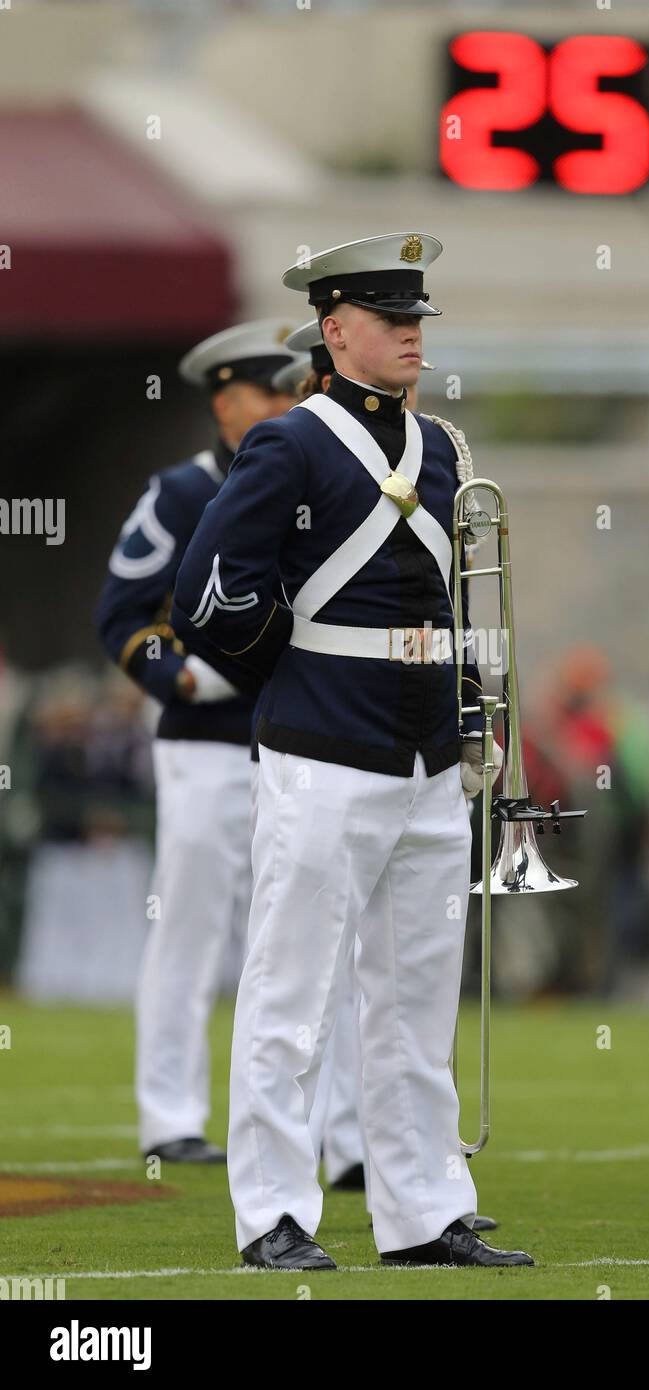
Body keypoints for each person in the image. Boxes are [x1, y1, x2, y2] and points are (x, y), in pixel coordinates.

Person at [173, 233, 529, 1270]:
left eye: (418, 318)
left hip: (425, 756)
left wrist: (475, 713)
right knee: (292, 993)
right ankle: (275, 1213)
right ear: (335, 331)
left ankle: (421, 1211)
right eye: (391, 318)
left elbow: (457, 604)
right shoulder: (288, 443)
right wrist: (289, 665)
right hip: (322, 748)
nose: (413, 333)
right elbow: (206, 588)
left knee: (417, 1000)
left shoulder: (446, 448)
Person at [95, 320, 298, 1163]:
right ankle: (171, 1116)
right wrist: (182, 677)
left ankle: (313, 1124)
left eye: (292, 390)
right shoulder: (180, 493)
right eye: (268, 391)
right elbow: (122, 610)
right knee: (191, 924)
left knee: (298, 937)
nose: (286, 404)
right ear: (224, 401)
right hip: (206, 741)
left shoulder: (308, 486)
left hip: (292, 742)